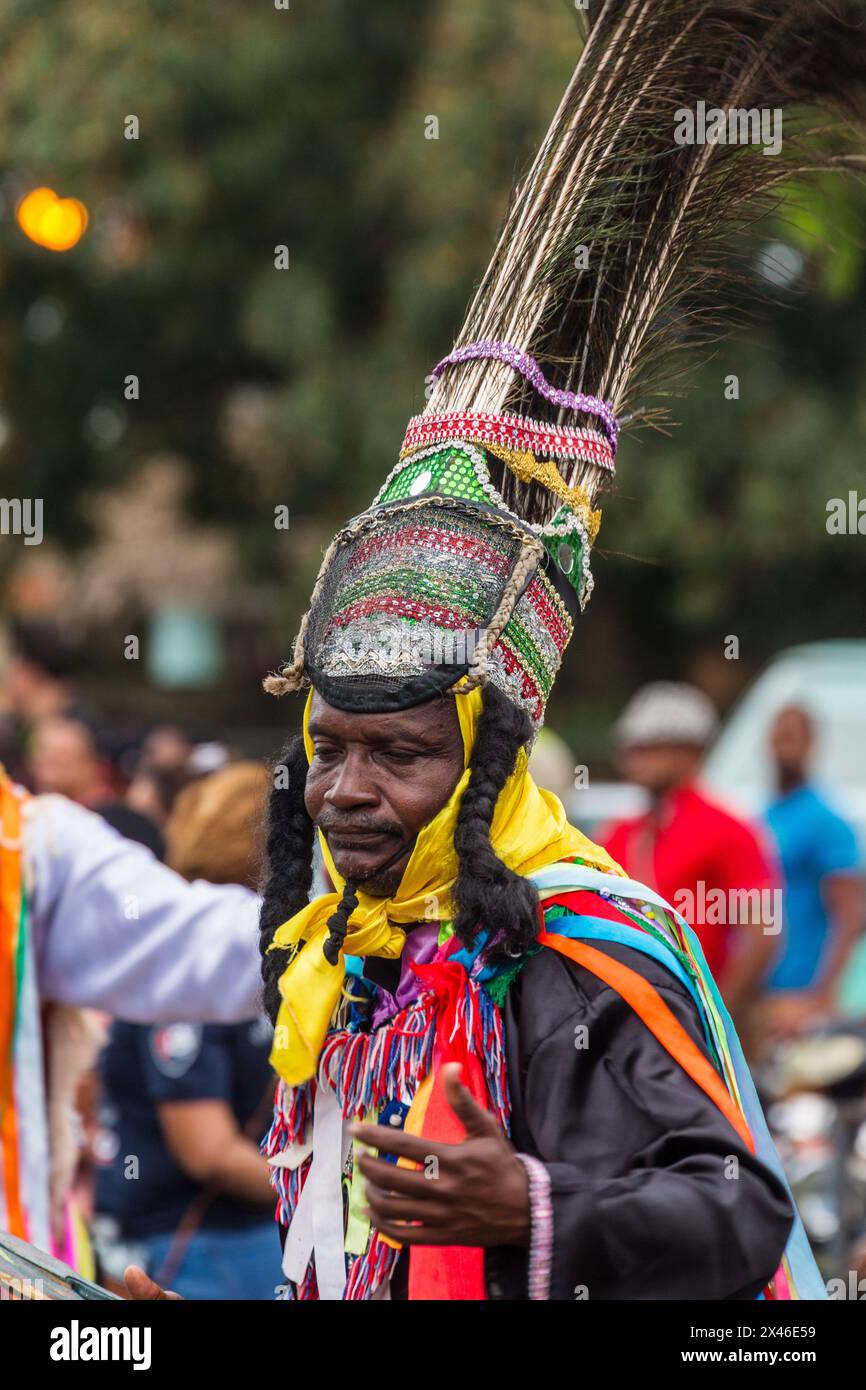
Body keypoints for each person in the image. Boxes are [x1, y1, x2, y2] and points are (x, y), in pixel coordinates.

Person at [125, 2, 866, 1304]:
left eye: (402, 753)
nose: (349, 789)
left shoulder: (576, 945)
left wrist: (528, 1197)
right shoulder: (341, 940)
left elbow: (733, 1216)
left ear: (491, 761)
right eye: (331, 747)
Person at [93, 764, 281, 1300]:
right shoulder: (195, 957)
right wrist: (334, 1193)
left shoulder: (249, 946)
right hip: (202, 1241)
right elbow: (208, 1150)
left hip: (234, 1232)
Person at [601, 683, 778, 1020]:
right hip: (629, 1017)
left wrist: (716, 1015)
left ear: (691, 751)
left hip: (697, 1020)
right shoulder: (620, 833)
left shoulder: (728, 828)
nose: (633, 759)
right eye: (630, 748)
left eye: (649, 748)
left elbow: (763, 934)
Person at [759, 706, 864, 1036]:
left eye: (793, 738)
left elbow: (851, 915)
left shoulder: (827, 822)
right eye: (779, 737)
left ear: (811, 745)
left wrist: (820, 995)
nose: (784, 747)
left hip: (800, 997)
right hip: (764, 994)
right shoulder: (765, 816)